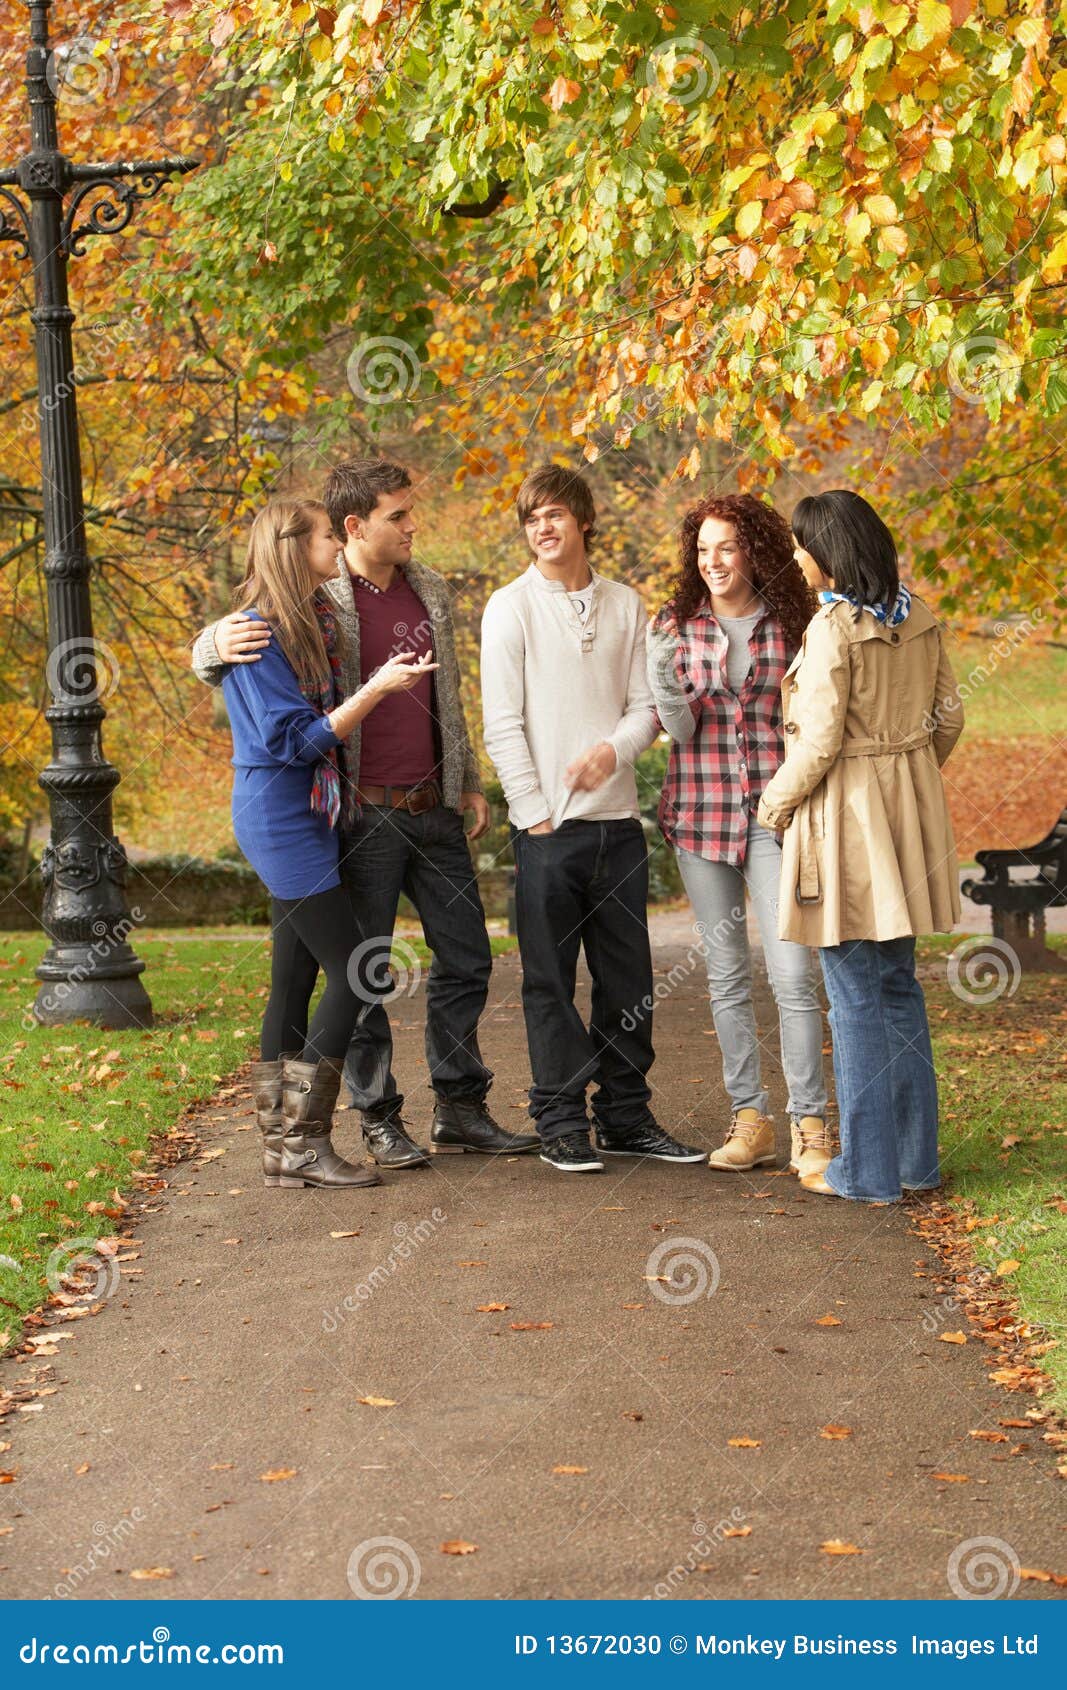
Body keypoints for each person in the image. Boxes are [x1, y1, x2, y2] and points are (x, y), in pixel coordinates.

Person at [193, 459, 538, 1168]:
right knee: (360, 973)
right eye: (399, 516)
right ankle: (368, 1121)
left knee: (462, 958)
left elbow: (448, 699)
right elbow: (249, 645)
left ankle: (455, 1110)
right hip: (354, 812)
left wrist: (466, 780)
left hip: (429, 805)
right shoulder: (322, 600)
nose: (414, 527)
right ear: (351, 528)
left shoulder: (427, 589)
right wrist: (207, 646)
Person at [480, 463, 704, 1173]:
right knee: (549, 981)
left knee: (627, 981)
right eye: (530, 518)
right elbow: (500, 724)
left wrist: (613, 752)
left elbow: (646, 708)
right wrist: (533, 812)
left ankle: (625, 1117)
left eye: (553, 513)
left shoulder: (624, 604)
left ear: (582, 520)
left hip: (616, 829)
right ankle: (559, 1118)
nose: (541, 527)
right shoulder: (508, 607)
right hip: (547, 832)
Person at [223, 496, 437, 1190]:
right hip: (280, 814)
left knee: (293, 978)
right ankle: (305, 1141)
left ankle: (283, 1150)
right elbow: (296, 741)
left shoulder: (308, 620)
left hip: (306, 812)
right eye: (322, 537)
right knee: (356, 970)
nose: (332, 546)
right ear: (293, 548)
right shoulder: (256, 635)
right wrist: (377, 690)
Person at [757, 489, 964, 1202]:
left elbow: (816, 743)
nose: (793, 555)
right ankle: (913, 1163)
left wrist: (773, 805)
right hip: (906, 820)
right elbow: (947, 719)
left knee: (852, 995)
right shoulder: (920, 615)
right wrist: (903, 777)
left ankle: (865, 1172)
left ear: (827, 550)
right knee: (897, 988)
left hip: (844, 822)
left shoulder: (832, 630)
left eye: (799, 543)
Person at [646, 494, 832, 1180]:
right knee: (724, 977)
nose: (713, 561)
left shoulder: (796, 621)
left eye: (725, 547)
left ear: (753, 549)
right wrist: (663, 678)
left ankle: (809, 1127)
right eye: (701, 550)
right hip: (698, 818)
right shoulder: (674, 625)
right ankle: (748, 1119)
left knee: (791, 975)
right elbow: (680, 729)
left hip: (774, 819)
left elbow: (814, 718)